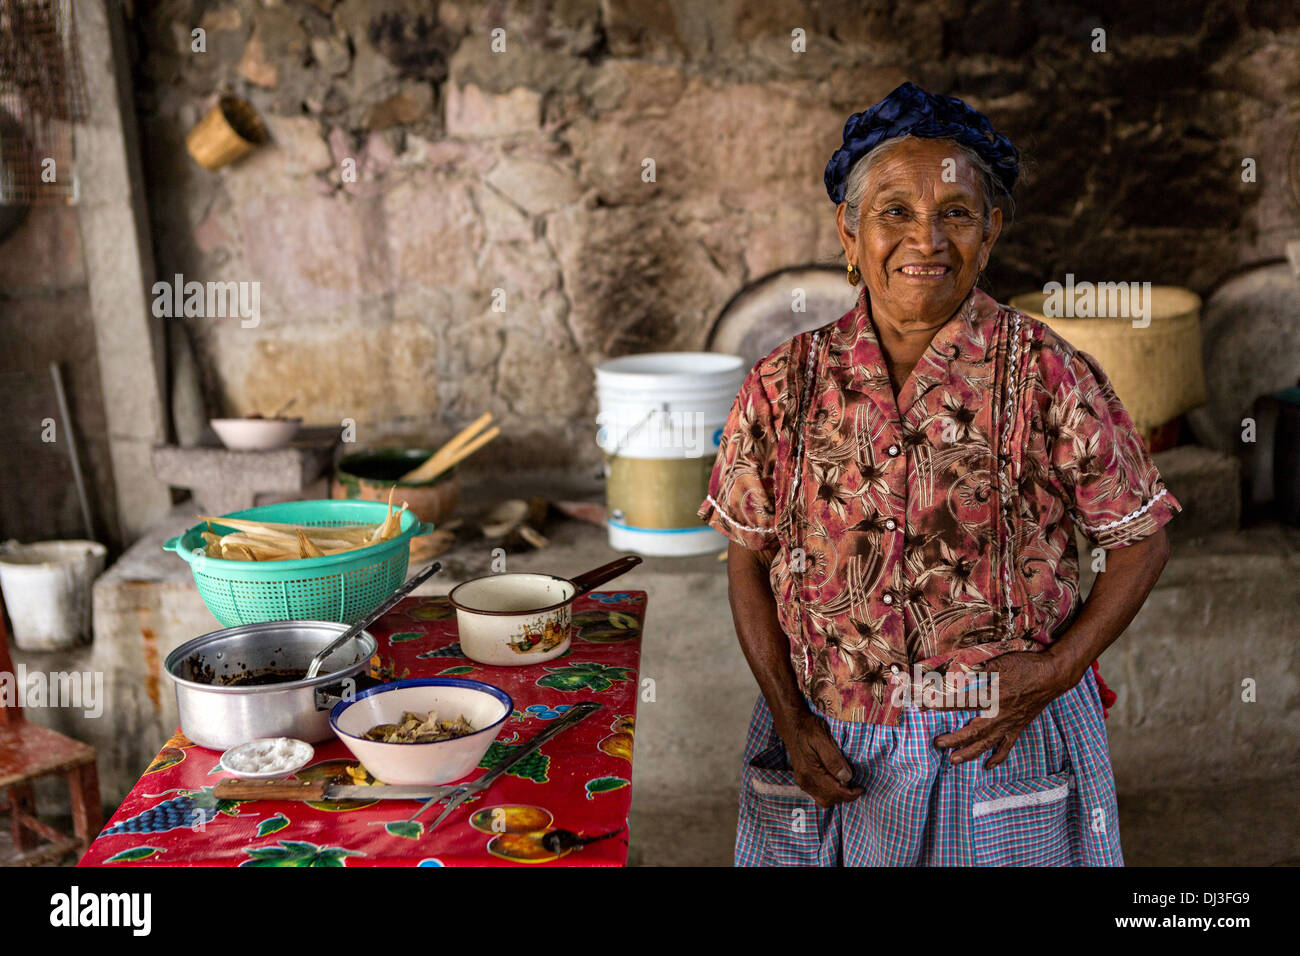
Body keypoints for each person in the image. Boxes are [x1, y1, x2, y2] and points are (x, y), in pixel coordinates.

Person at [698, 82, 1179, 866]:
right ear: (849, 236)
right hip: (830, 744)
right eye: (894, 212)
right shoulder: (782, 382)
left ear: (989, 234)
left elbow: (1141, 541)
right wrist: (791, 719)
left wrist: (1055, 672)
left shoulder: (1050, 372)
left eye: (955, 213)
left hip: (996, 735)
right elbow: (747, 556)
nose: (926, 240)